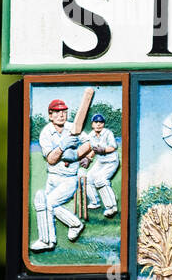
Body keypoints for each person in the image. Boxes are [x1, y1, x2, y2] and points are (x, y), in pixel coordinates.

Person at [30, 99, 92, 252]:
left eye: (64, 111)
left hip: (68, 178)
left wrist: (76, 154)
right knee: (43, 202)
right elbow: (51, 159)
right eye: (57, 112)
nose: (61, 115)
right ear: (50, 115)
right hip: (52, 177)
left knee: (49, 204)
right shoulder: (46, 133)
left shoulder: (73, 127)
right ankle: (74, 224)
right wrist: (62, 146)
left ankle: (49, 241)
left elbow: (90, 144)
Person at [81, 114, 120, 217]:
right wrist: (88, 158)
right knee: (88, 178)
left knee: (100, 180)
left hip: (111, 161)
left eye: (101, 122)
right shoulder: (91, 135)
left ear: (103, 124)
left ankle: (111, 207)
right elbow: (94, 149)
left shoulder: (108, 133)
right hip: (101, 161)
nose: (98, 124)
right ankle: (95, 202)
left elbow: (113, 147)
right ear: (92, 124)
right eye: (96, 122)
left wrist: (103, 150)